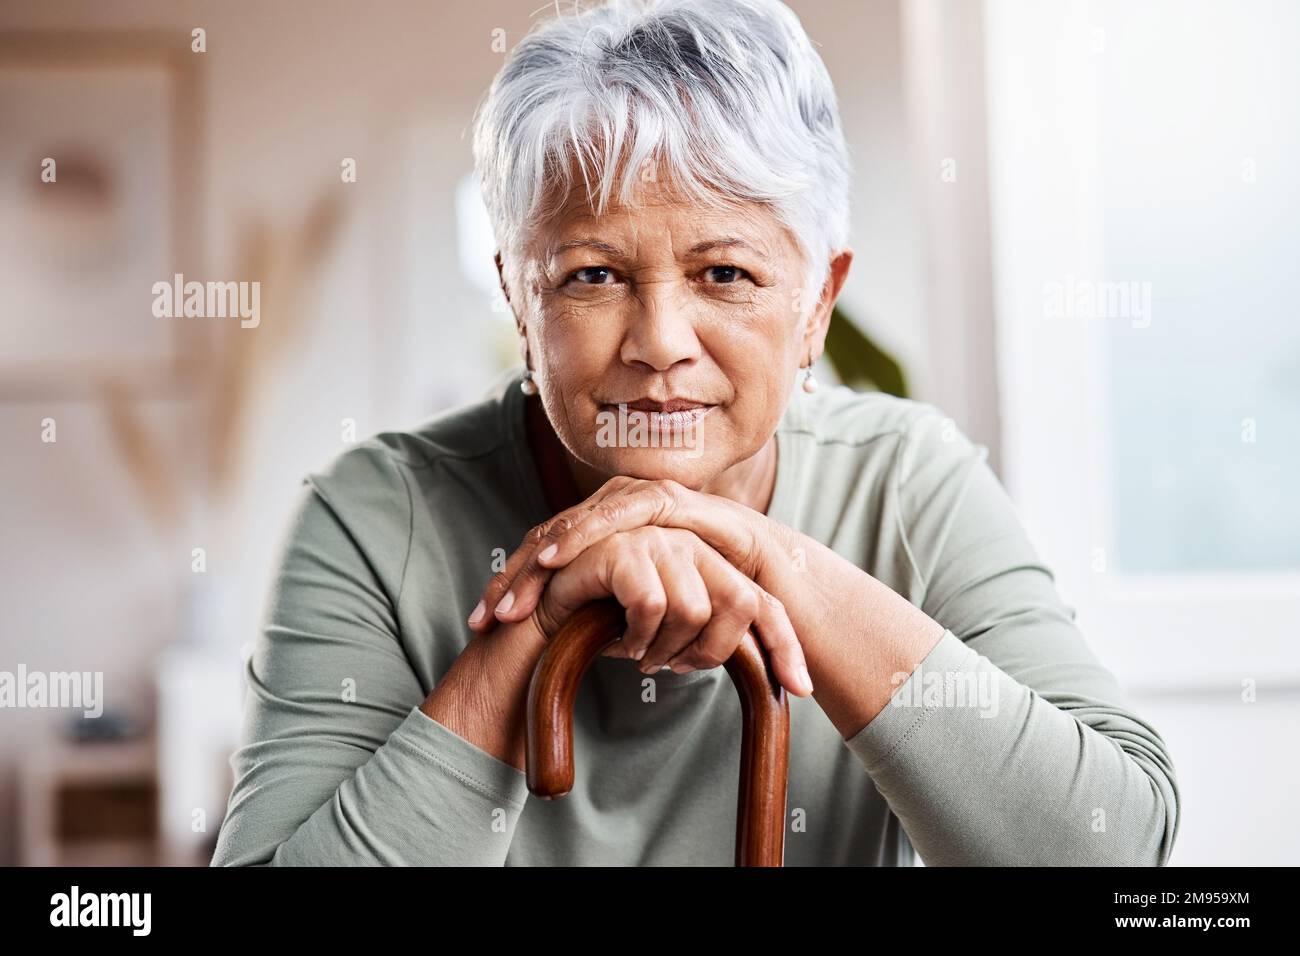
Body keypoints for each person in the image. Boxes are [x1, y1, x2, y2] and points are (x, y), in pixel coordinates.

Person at [211, 0, 1179, 866]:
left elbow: (1110, 849)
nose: (659, 343)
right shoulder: (378, 513)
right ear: (517, 294)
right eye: (591, 274)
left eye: (726, 274)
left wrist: (763, 556)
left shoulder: (905, 479)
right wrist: (536, 621)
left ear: (817, 303)